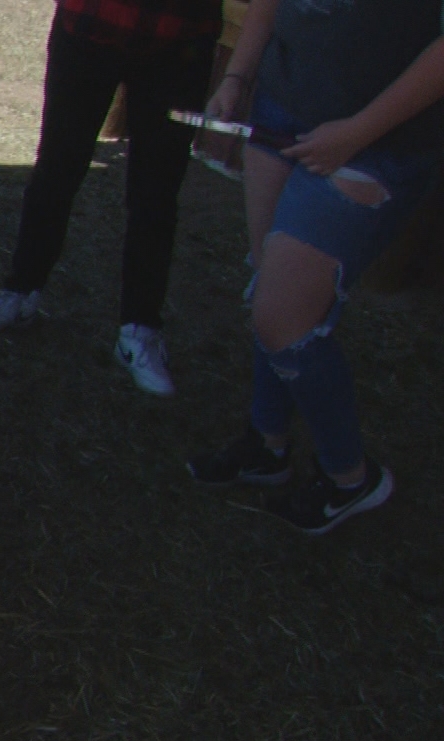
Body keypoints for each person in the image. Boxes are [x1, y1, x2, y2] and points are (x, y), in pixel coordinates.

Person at [185, 0, 444, 535]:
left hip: (377, 142)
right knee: (270, 286)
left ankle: (351, 477)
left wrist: (358, 131)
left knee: (284, 317)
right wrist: (237, 75)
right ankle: (267, 444)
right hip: (283, 106)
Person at [0, 0, 222, 396]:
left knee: (156, 192)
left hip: (179, 40)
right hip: (88, 25)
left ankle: (140, 329)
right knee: (56, 168)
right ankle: (20, 292)